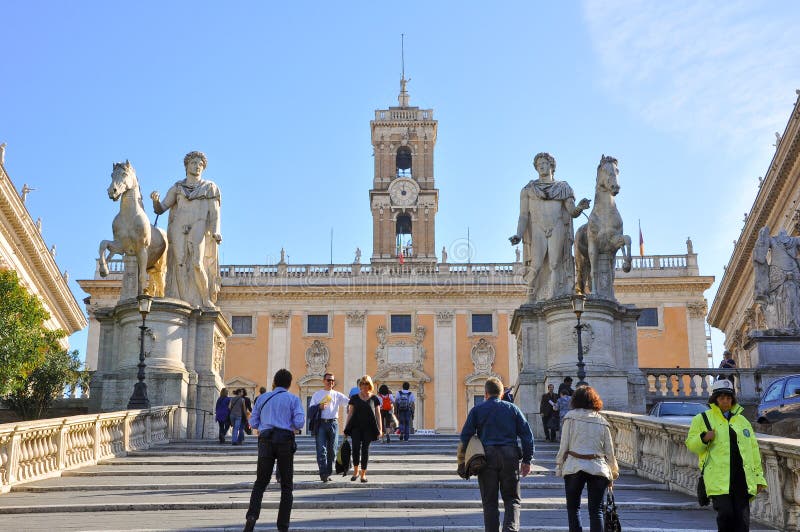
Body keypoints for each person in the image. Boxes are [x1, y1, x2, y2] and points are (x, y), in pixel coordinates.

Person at [686, 379, 766, 532]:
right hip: (718, 478)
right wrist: (703, 438)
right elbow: (691, 444)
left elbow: (753, 450)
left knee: (742, 521)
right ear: (715, 399)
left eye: (728, 398)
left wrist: (759, 478)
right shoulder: (702, 419)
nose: (725, 401)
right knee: (726, 514)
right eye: (721, 398)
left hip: (741, 478)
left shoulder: (743, 421)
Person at [509, 152, 590, 301]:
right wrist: (518, 235)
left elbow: (572, 211)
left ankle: (554, 297)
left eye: (544, 163)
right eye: (538, 165)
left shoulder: (563, 188)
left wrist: (580, 207)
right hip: (537, 228)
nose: (541, 166)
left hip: (557, 225)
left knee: (555, 263)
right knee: (536, 264)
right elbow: (523, 216)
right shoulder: (528, 190)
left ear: (552, 166)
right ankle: (531, 298)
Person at [459, 377, 534, 532]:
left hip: (486, 458)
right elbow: (527, 436)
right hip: (510, 456)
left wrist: (462, 461)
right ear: (501, 394)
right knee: (512, 499)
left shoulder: (477, 410)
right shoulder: (512, 409)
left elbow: (465, 437)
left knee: (490, 502)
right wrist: (527, 460)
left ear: (486, 394)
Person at [150, 151, 222, 308]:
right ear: (187, 166)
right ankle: (184, 303)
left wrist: (216, 231)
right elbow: (161, 209)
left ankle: (205, 299)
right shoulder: (177, 188)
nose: (197, 167)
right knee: (179, 264)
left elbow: (215, 212)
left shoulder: (209, 187)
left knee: (197, 262)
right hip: (178, 226)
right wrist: (155, 201)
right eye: (194, 163)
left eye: (200, 165)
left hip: (199, 223)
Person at [243, 369, 304, 532]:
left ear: (275, 382)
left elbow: (254, 423)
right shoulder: (293, 399)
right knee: (286, 486)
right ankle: (282, 526)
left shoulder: (263, 398)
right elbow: (299, 422)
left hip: (266, 441)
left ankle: (252, 516)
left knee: (260, 483)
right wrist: (289, 424)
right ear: (290, 384)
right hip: (284, 440)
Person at [555, 385, 619, 532]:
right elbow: (609, 451)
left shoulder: (570, 417)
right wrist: (613, 472)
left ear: (575, 400)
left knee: (573, 509)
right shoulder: (602, 421)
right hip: (598, 467)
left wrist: (559, 465)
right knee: (596, 511)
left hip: (574, 466)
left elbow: (563, 445)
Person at [309, 372, 350, 482]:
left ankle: (328, 471)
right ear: (324, 381)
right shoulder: (317, 394)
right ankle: (323, 474)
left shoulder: (337, 394)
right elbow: (310, 410)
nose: (331, 382)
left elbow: (349, 402)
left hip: (333, 424)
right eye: (328, 380)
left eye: (332, 380)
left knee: (332, 449)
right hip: (321, 424)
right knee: (321, 449)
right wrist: (319, 406)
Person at [344, 375, 382, 482]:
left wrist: (380, 429)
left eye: (367, 384)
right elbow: (350, 414)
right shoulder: (354, 398)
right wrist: (346, 428)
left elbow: (378, 414)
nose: (364, 386)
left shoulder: (375, 399)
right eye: (363, 384)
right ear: (360, 385)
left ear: (370, 385)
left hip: (369, 428)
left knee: (365, 450)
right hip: (355, 427)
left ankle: (363, 473)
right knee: (355, 448)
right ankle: (356, 470)